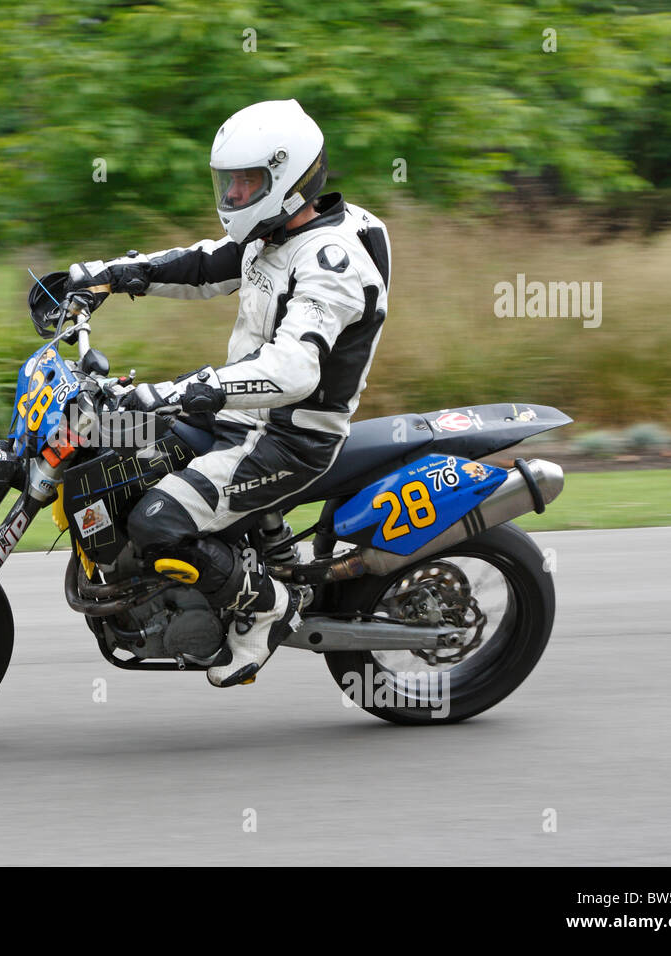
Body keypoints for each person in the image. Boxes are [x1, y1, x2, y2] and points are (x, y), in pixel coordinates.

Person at [65, 99, 391, 687]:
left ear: (288, 179)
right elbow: (204, 266)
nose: (234, 195)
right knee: (116, 446)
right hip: (240, 418)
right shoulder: (277, 233)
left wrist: (185, 389)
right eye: (230, 182)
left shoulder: (332, 262)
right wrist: (103, 275)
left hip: (288, 439)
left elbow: (296, 370)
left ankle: (264, 608)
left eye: (248, 183)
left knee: (157, 521)